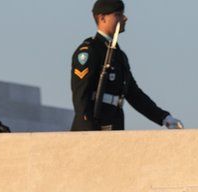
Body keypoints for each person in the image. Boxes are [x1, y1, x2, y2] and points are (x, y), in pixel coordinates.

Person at [71, 0, 183, 131]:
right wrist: (87, 130)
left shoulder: (118, 55)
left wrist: (164, 118)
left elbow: (134, 94)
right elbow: (80, 95)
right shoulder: (90, 51)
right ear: (102, 18)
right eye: (118, 14)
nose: (125, 18)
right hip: (93, 127)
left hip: (114, 124)